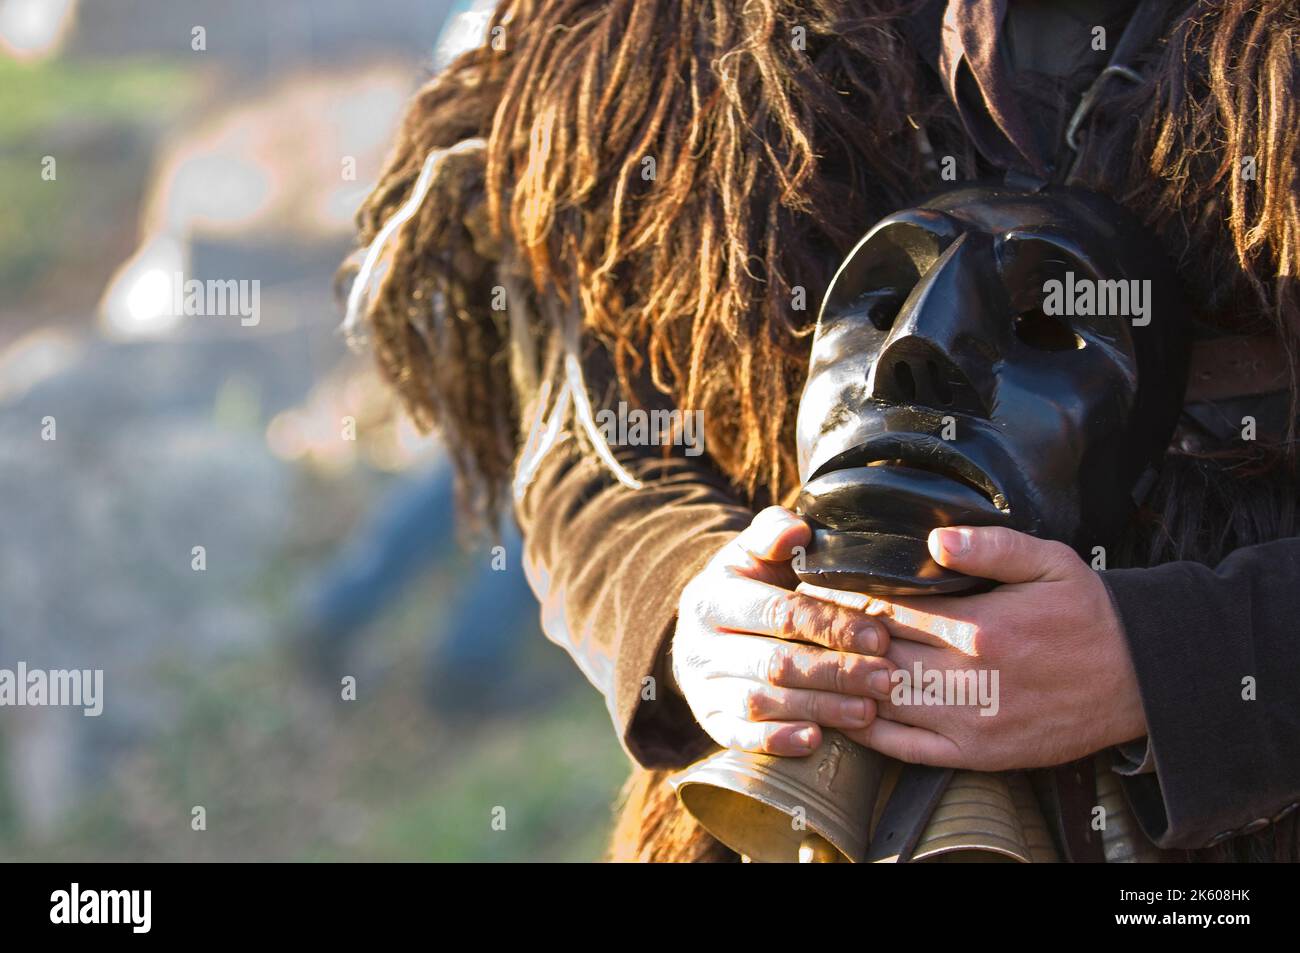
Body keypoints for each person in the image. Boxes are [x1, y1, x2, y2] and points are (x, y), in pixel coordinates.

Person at [348, 0, 1300, 861]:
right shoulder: (648, 47)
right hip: (784, 817)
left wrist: (1181, 661)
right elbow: (598, 446)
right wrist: (688, 615)